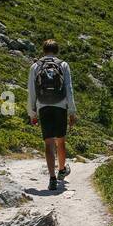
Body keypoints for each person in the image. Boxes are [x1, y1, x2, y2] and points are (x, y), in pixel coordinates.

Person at [27, 39, 76, 190]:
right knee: (60, 141)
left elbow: (31, 91)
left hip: (43, 106)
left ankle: (52, 178)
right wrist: (72, 111)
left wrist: (32, 113)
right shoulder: (63, 65)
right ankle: (61, 170)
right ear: (57, 50)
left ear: (43, 50)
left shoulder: (35, 66)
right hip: (60, 106)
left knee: (48, 143)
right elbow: (69, 89)